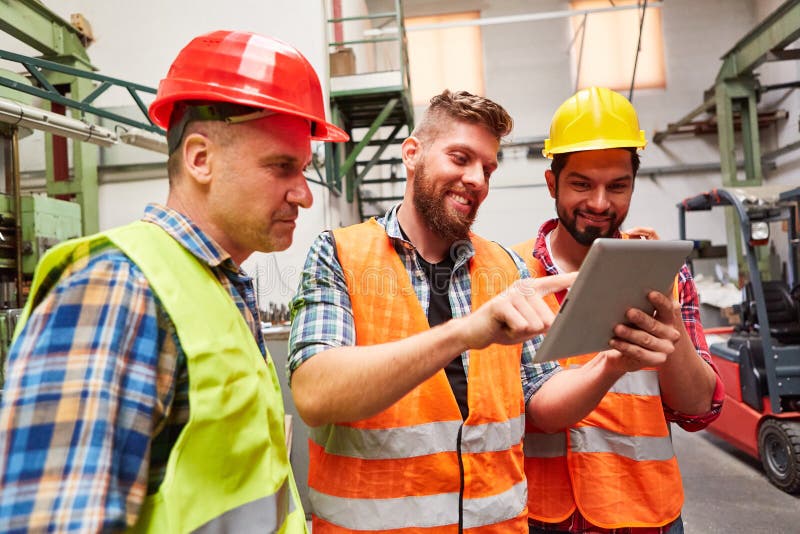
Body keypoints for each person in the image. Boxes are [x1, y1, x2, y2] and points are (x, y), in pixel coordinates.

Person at [288, 89, 686, 533]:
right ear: (412, 154)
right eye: (460, 158)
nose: (476, 178)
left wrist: (614, 362)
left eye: (488, 168)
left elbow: (544, 403)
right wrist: (463, 333)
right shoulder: (340, 254)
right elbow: (313, 395)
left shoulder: (505, 269)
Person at [0, 30, 348, 533]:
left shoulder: (218, 285)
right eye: (281, 167)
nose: (304, 195)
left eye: (304, 169)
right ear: (200, 158)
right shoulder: (117, 289)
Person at [513, 87, 725, 534]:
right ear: (552, 183)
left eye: (618, 186)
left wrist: (667, 326)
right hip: (543, 516)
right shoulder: (513, 273)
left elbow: (698, 409)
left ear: (634, 181)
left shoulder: (663, 270)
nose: (600, 203)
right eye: (581, 184)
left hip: (645, 513)